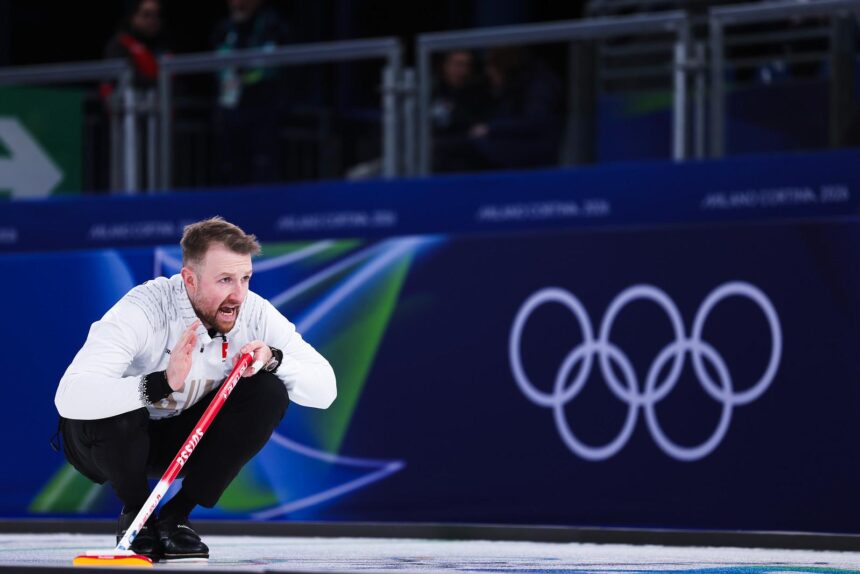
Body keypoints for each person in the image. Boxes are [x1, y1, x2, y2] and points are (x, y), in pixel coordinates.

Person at [54, 217, 336, 562]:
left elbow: (326, 391)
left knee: (268, 389)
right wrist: (160, 383)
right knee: (121, 411)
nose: (239, 294)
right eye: (225, 280)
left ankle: (175, 520)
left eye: (245, 278)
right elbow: (70, 396)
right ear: (189, 279)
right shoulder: (143, 309)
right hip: (100, 441)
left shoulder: (254, 312)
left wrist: (274, 359)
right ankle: (137, 516)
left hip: (178, 441)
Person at [211, 0, 292, 185]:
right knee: (230, 169)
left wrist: (246, 74)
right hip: (229, 111)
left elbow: (272, 66)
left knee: (263, 168)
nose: (237, 4)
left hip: (263, 111)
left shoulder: (272, 25)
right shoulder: (224, 29)